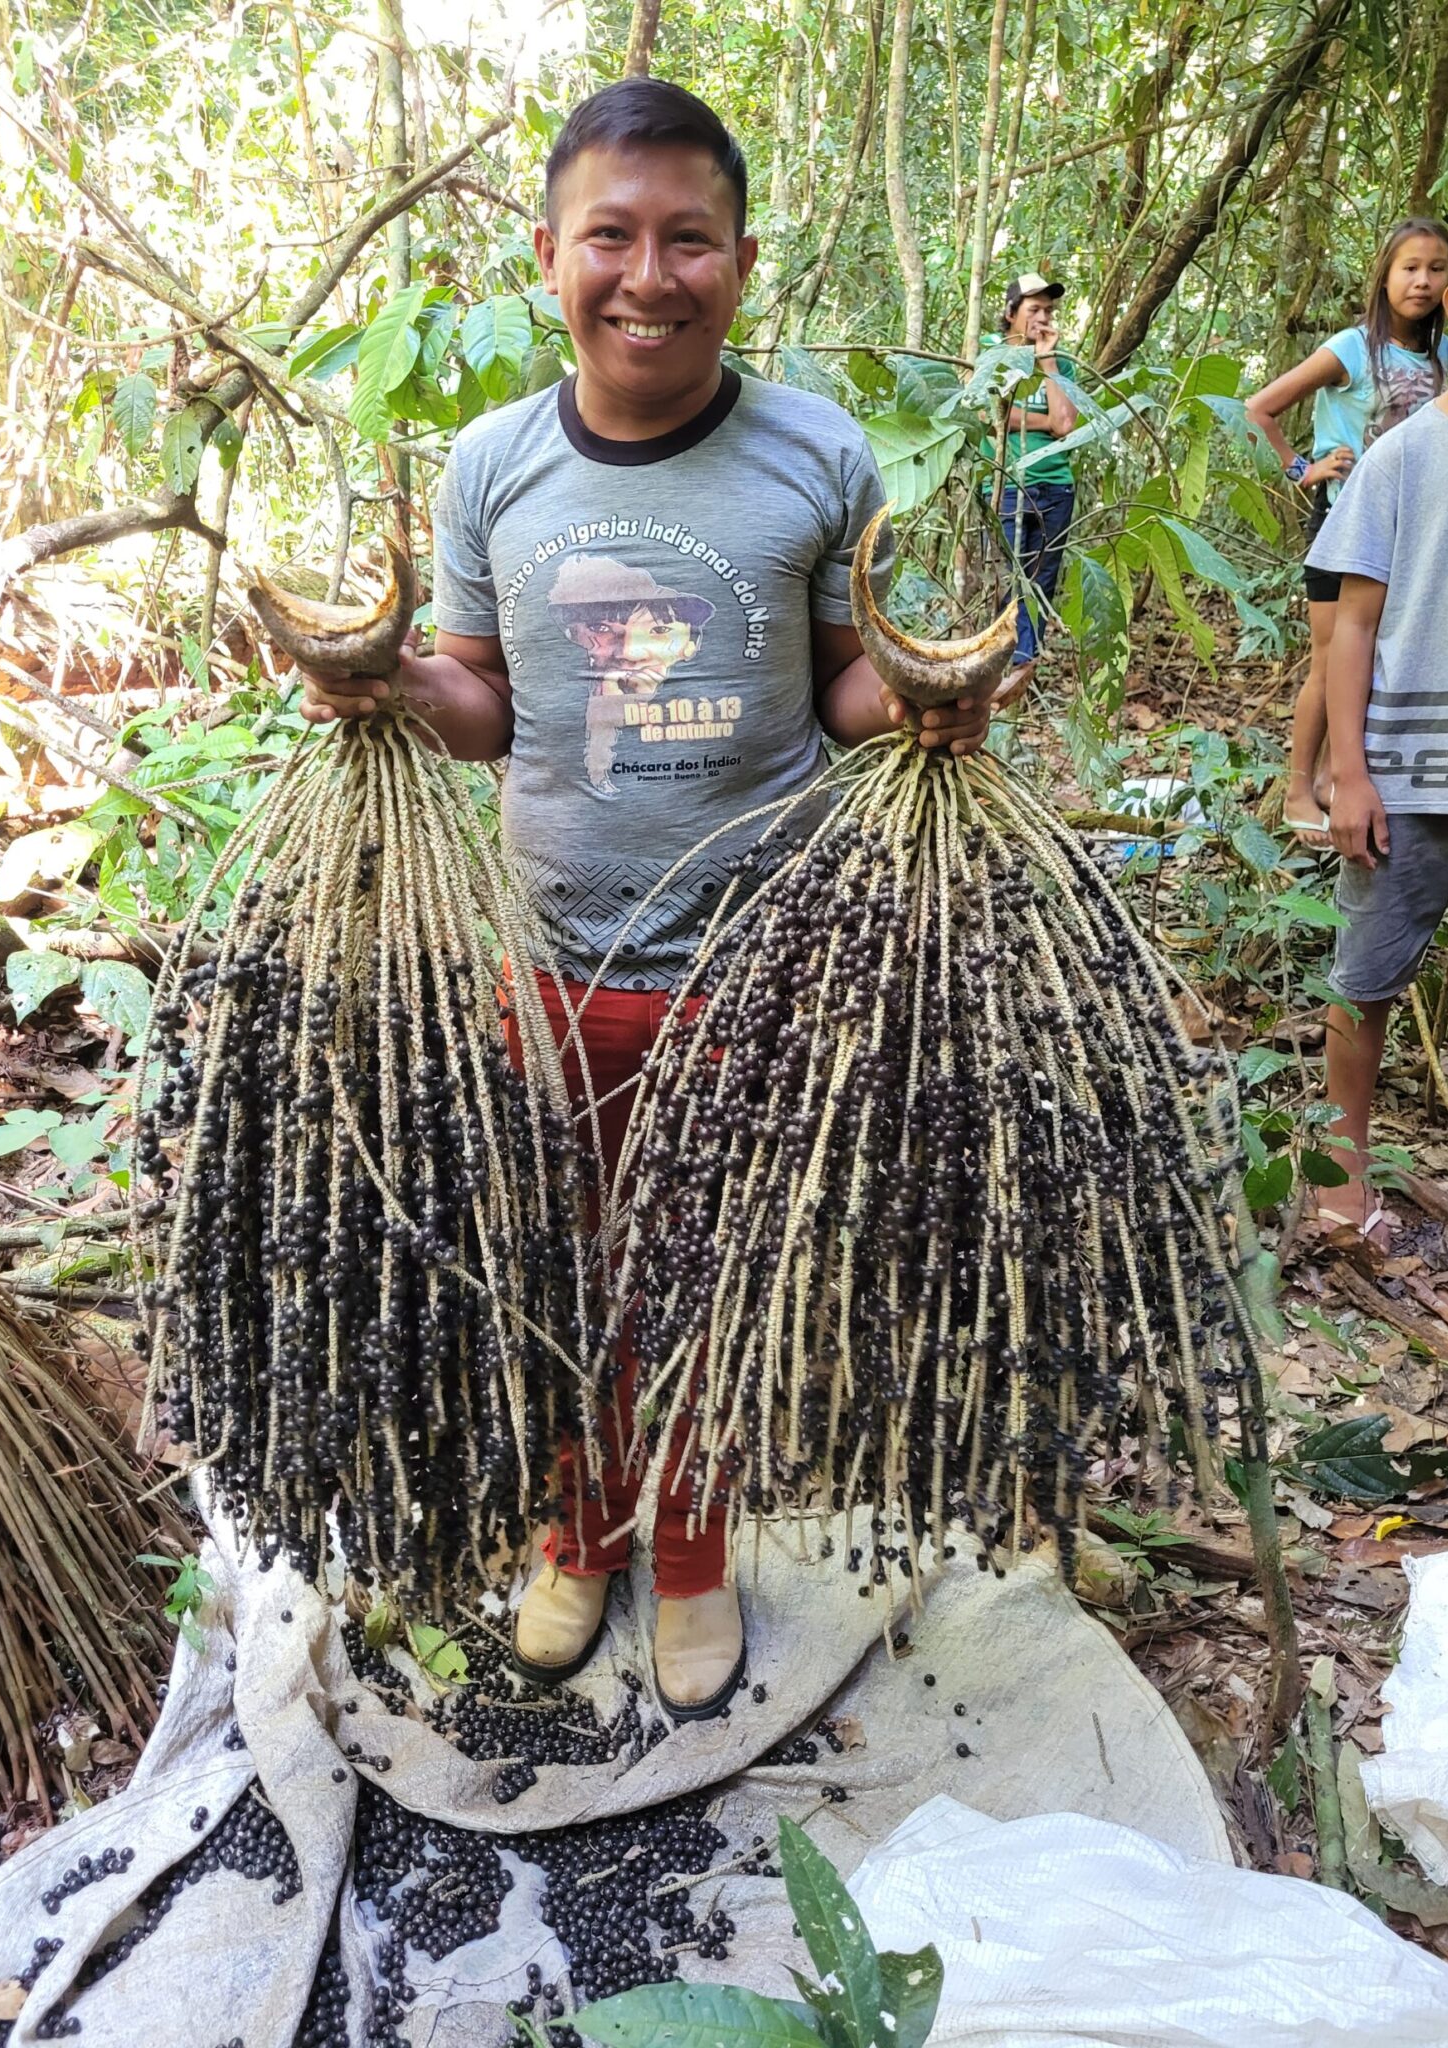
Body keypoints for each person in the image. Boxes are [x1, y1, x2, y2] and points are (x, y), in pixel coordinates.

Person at [296, 78, 995, 1719]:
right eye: (611, 236)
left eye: (688, 238)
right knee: (558, 1270)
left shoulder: (818, 455)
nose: (648, 274)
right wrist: (394, 682)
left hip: (755, 968)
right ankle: (574, 1533)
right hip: (544, 964)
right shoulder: (492, 466)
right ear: (549, 255)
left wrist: (926, 697)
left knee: (698, 1277)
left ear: (741, 261)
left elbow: (840, 692)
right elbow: (485, 703)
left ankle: (688, 1554)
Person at [1308, 192, 1448, 1299]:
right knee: (1364, 985)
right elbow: (1351, 623)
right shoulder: (1402, 455)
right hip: (1406, 780)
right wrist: (1348, 769)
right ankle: (1339, 1178)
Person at [1245, 218, 1448, 841]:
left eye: (1436, 268)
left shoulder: (1444, 355)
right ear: (1385, 275)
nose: (1421, 280)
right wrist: (1301, 468)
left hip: (1410, 532)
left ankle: (1341, 781)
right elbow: (1258, 409)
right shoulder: (1351, 348)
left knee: (1378, 659)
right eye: (1409, 267)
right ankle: (1296, 788)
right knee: (1332, 657)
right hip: (1343, 524)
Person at [989, 272, 1079, 696]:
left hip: (1055, 484)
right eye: (1034, 310)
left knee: (1040, 581)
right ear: (1010, 314)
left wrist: (1047, 359)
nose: (1043, 318)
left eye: (1048, 310)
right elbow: (991, 415)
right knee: (1010, 576)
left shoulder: (1059, 364)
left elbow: (1065, 423)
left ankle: (1024, 669)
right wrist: (1043, 423)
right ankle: (998, 663)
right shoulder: (991, 357)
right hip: (1009, 484)